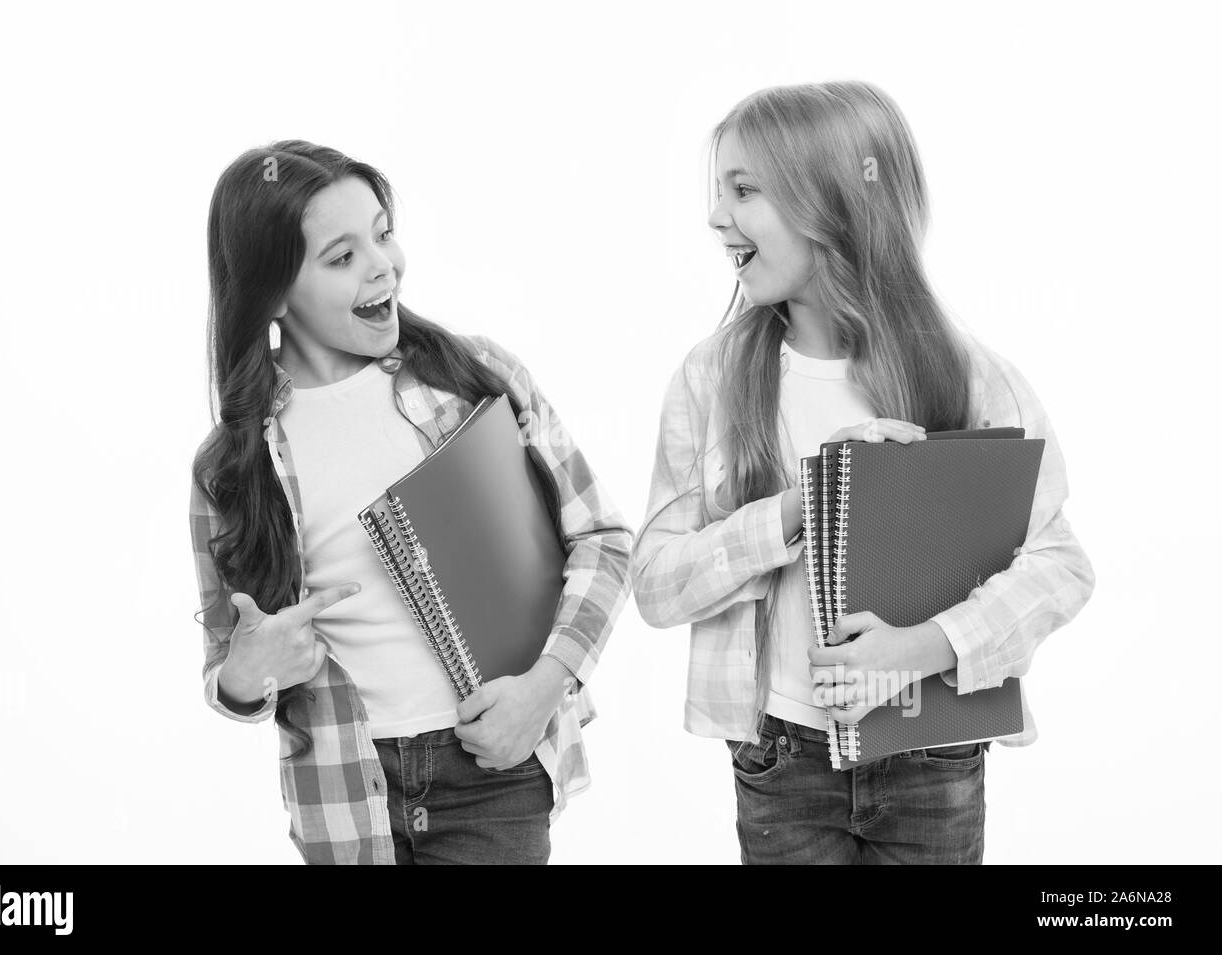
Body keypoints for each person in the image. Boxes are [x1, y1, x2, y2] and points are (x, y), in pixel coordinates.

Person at [629, 82, 1095, 864]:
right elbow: (655, 582)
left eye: (744, 190)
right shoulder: (712, 379)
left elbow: (1060, 566)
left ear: (835, 202)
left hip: (931, 755)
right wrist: (798, 504)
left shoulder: (969, 375)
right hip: (784, 762)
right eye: (718, 191)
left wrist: (923, 645)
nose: (716, 217)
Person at [189, 140, 632, 864]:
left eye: (383, 231)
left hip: (489, 771)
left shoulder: (473, 377)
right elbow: (226, 674)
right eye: (341, 257)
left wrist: (544, 689)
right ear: (272, 293)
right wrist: (250, 669)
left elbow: (606, 539)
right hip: (342, 792)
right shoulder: (232, 466)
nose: (383, 265)